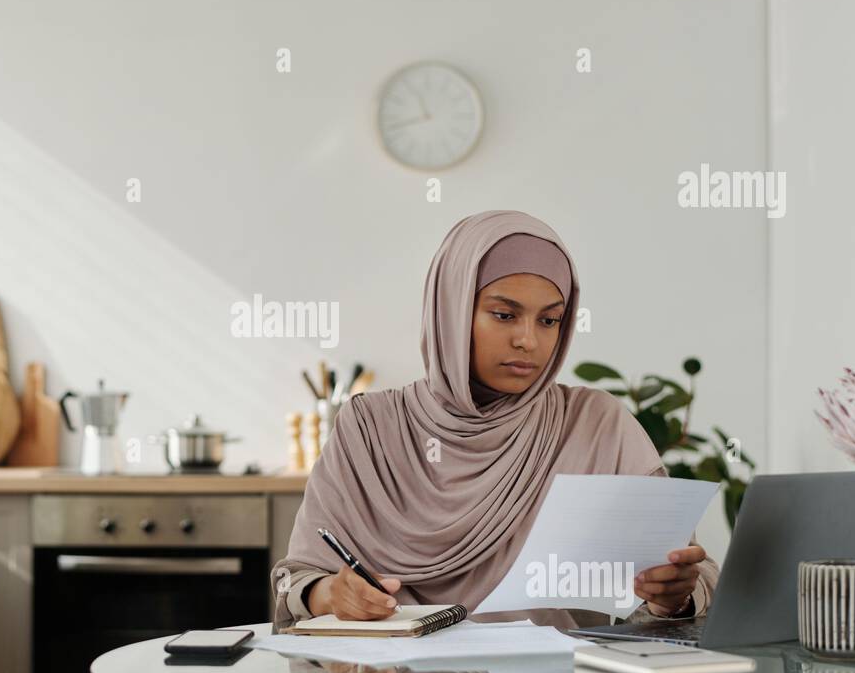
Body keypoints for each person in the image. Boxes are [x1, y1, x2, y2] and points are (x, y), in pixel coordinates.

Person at [270, 210, 719, 630]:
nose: (528, 341)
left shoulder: (597, 425)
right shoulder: (368, 427)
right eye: (504, 315)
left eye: (550, 320)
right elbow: (299, 579)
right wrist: (332, 594)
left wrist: (671, 595)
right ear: (451, 310)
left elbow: (687, 580)